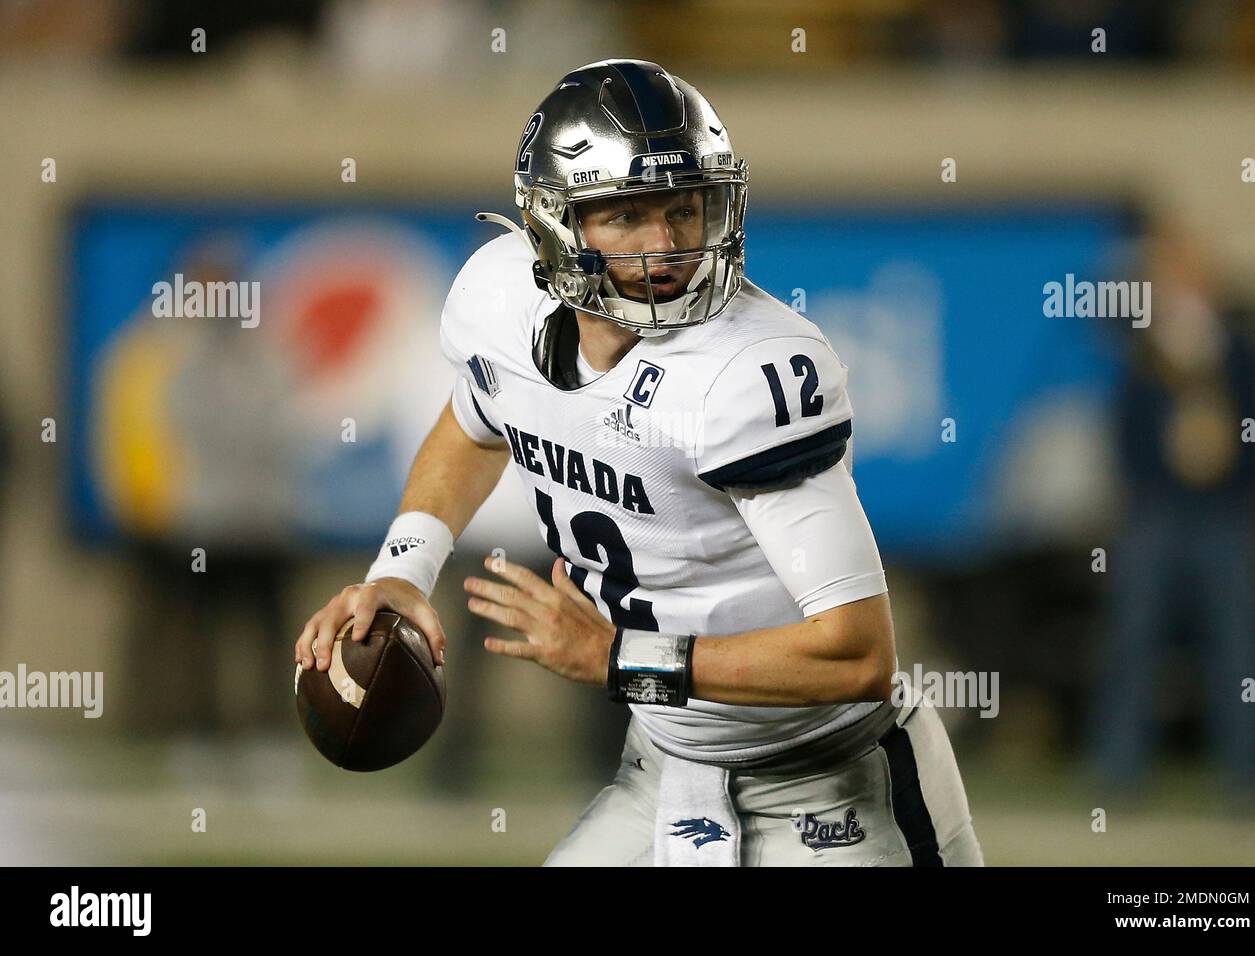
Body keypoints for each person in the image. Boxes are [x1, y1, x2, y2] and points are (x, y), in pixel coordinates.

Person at [293, 59, 982, 866]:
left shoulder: (745, 371)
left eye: (684, 210)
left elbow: (861, 654)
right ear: (553, 225)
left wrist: (620, 657)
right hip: (668, 774)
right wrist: (404, 570)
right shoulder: (500, 303)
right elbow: (473, 423)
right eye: (626, 215)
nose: (667, 247)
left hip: (832, 786)